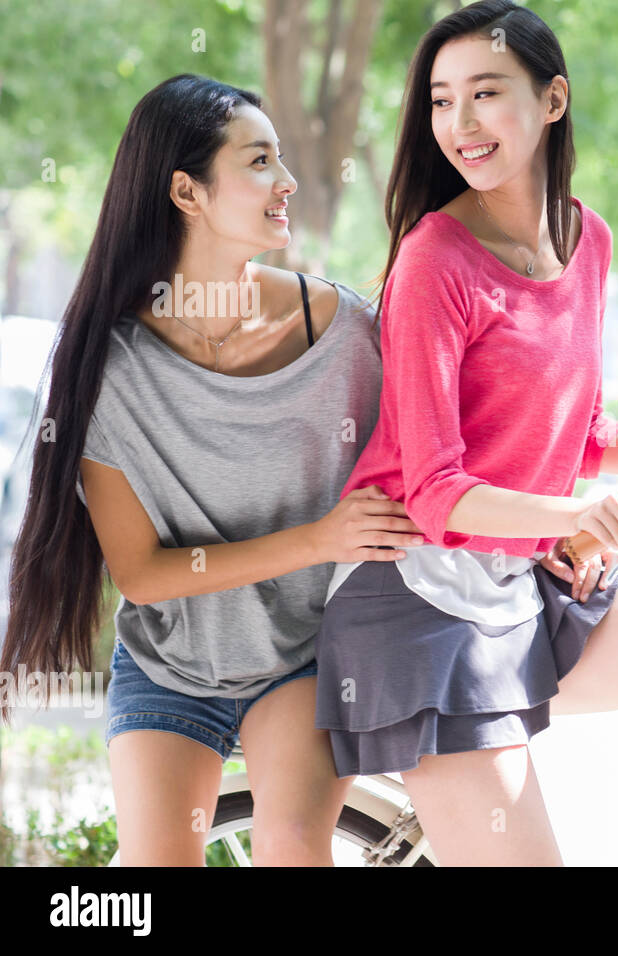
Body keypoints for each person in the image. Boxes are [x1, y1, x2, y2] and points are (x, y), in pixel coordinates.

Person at [314, 0, 618, 867]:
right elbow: (435, 496)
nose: (459, 123)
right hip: (418, 606)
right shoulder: (434, 260)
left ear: (552, 100)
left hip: (516, 581)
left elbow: (578, 436)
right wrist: (575, 517)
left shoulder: (589, 241)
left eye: (486, 93)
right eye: (440, 99)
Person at [0, 74, 422, 865]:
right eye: (260, 161)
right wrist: (319, 539)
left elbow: (440, 455)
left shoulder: (347, 337)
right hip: (169, 666)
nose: (288, 181)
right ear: (187, 192)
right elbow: (145, 576)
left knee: (293, 841)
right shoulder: (107, 365)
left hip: (306, 654)